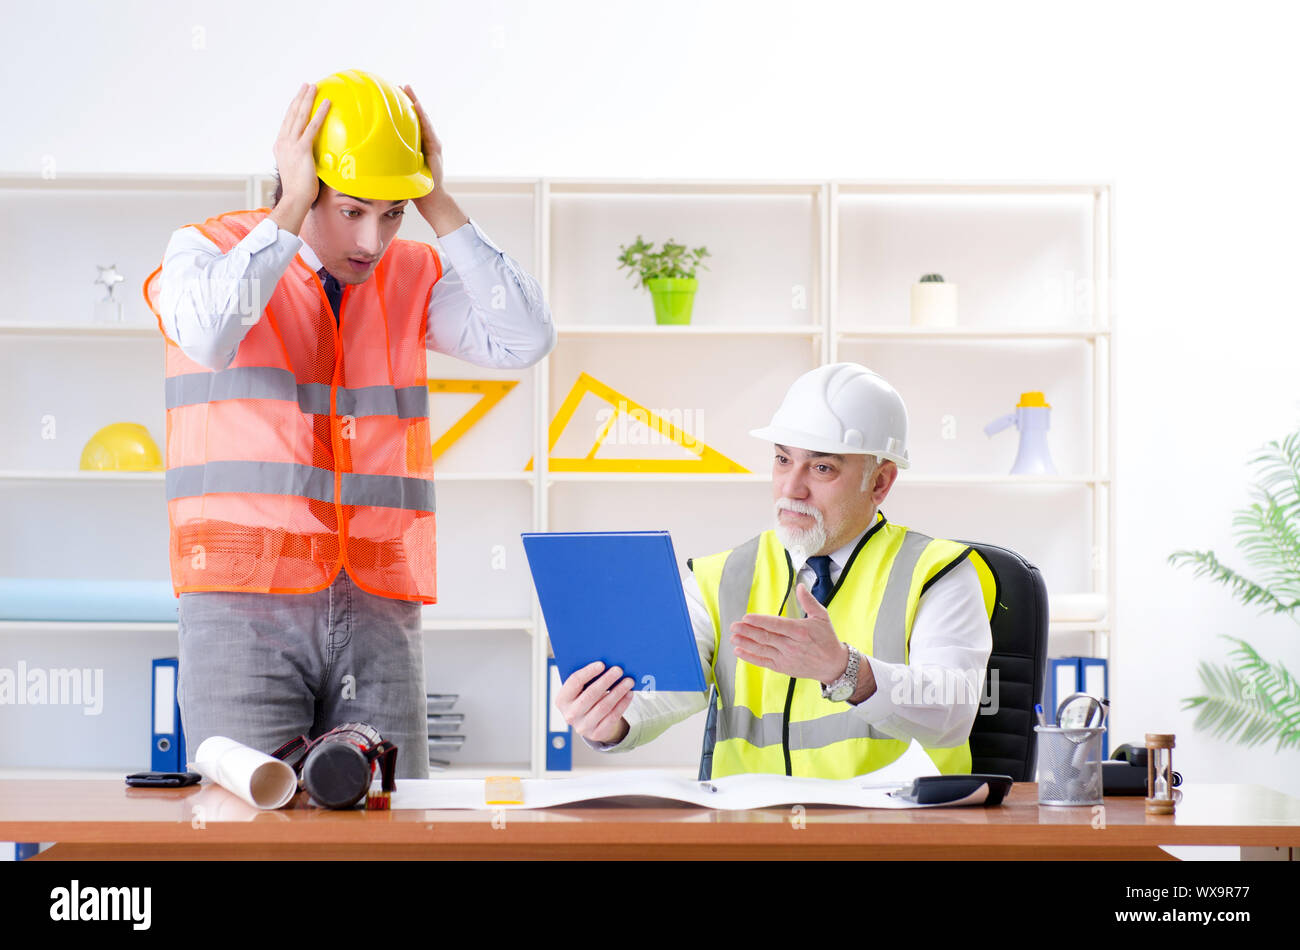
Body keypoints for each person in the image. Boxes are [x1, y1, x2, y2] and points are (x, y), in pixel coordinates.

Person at [142, 70, 555, 779]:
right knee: (252, 830)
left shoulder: (410, 271)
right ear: (303, 183)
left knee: (389, 832)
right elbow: (209, 335)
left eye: (393, 214)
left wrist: (439, 201)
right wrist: (292, 204)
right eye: (353, 210)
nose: (372, 239)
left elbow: (524, 338)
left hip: (377, 603)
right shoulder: (206, 251)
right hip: (243, 602)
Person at [556, 363, 996, 779]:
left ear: (879, 482)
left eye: (821, 467)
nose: (791, 487)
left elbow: (951, 713)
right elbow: (662, 693)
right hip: (751, 835)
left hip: (892, 836)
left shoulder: (938, 572)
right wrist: (610, 721)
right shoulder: (722, 576)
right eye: (783, 460)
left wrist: (845, 670)